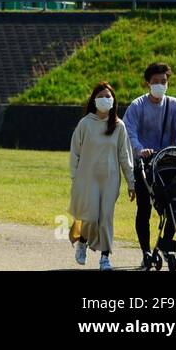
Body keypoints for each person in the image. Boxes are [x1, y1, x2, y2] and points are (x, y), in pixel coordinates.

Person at [125, 62, 176, 269]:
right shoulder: (137, 106)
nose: (160, 85)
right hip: (144, 164)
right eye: (155, 82)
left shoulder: (174, 105)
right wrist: (139, 149)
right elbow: (130, 130)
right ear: (147, 83)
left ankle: (165, 244)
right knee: (143, 208)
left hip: (168, 164)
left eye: (163, 82)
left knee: (175, 206)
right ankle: (145, 251)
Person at [69, 82, 135, 271]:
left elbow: (125, 156)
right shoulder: (85, 124)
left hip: (110, 180)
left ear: (113, 100)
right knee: (89, 217)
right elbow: (75, 152)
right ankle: (82, 241)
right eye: (101, 96)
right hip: (87, 179)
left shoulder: (119, 126)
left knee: (105, 218)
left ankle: (105, 257)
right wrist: (75, 178)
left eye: (108, 96)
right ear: (94, 100)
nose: (105, 99)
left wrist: (131, 182)